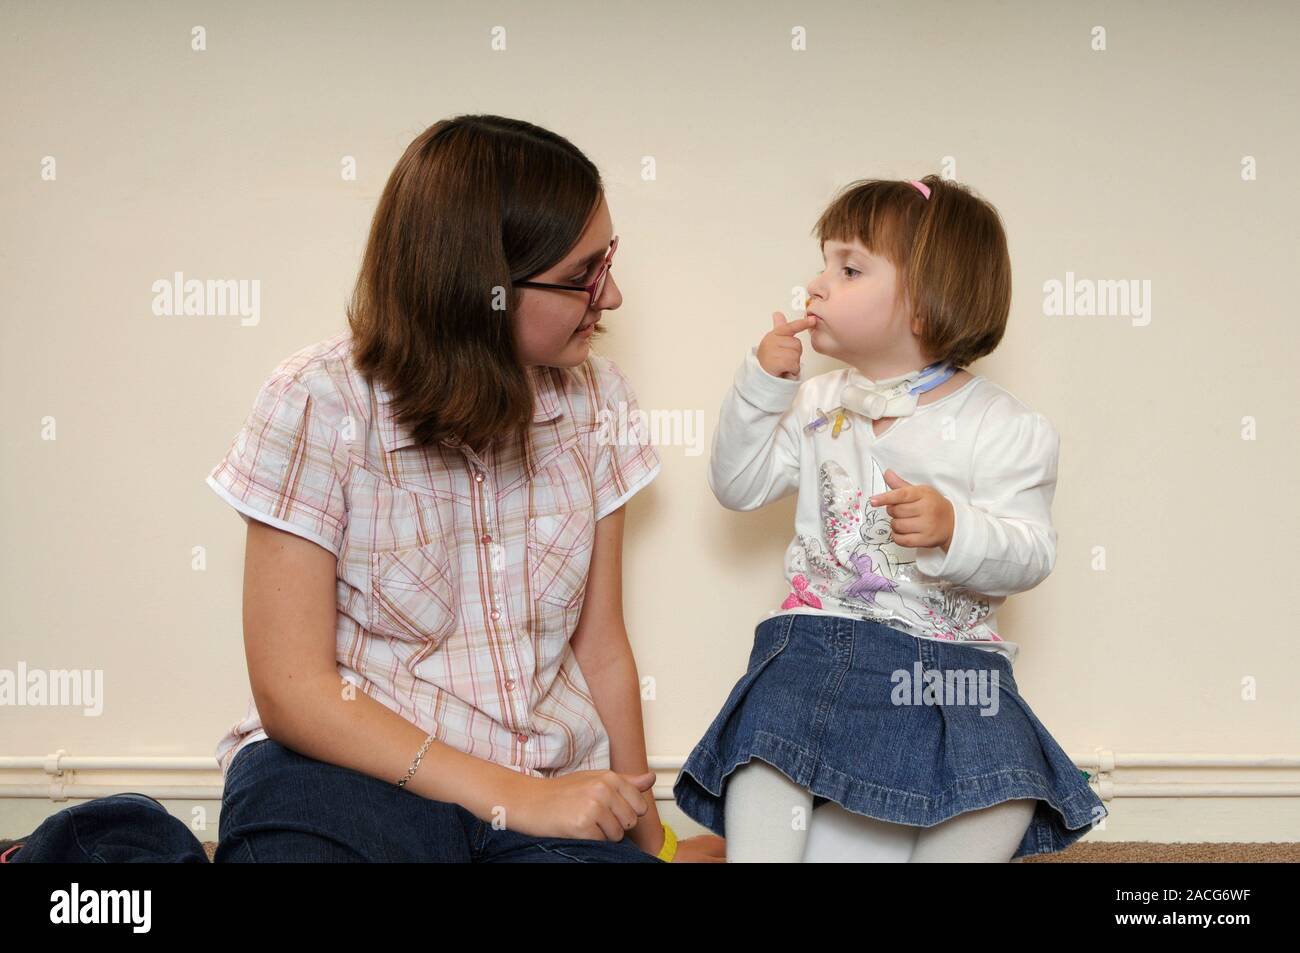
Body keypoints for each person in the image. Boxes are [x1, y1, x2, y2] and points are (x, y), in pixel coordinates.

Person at [5, 115, 725, 864]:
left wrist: (656, 843)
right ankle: (101, 851)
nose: (610, 297)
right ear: (486, 290)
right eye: (584, 274)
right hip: (346, 778)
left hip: (540, 790)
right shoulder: (315, 398)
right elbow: (294, 687)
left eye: (607, 259)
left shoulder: (597, 402)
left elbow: (600, 643)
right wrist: (513, 795)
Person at [671, 175, 1109, 862]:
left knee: (1006, 773)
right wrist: (762, 389)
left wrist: (955, 527)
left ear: (926, 305)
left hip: (952, 662)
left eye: (848, 268)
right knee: (769, 734)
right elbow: (738, 484)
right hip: (822, 643)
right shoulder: (814, 401)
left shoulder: (1005, 427)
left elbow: (1031, 551)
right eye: (824, 262)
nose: (816, 284)